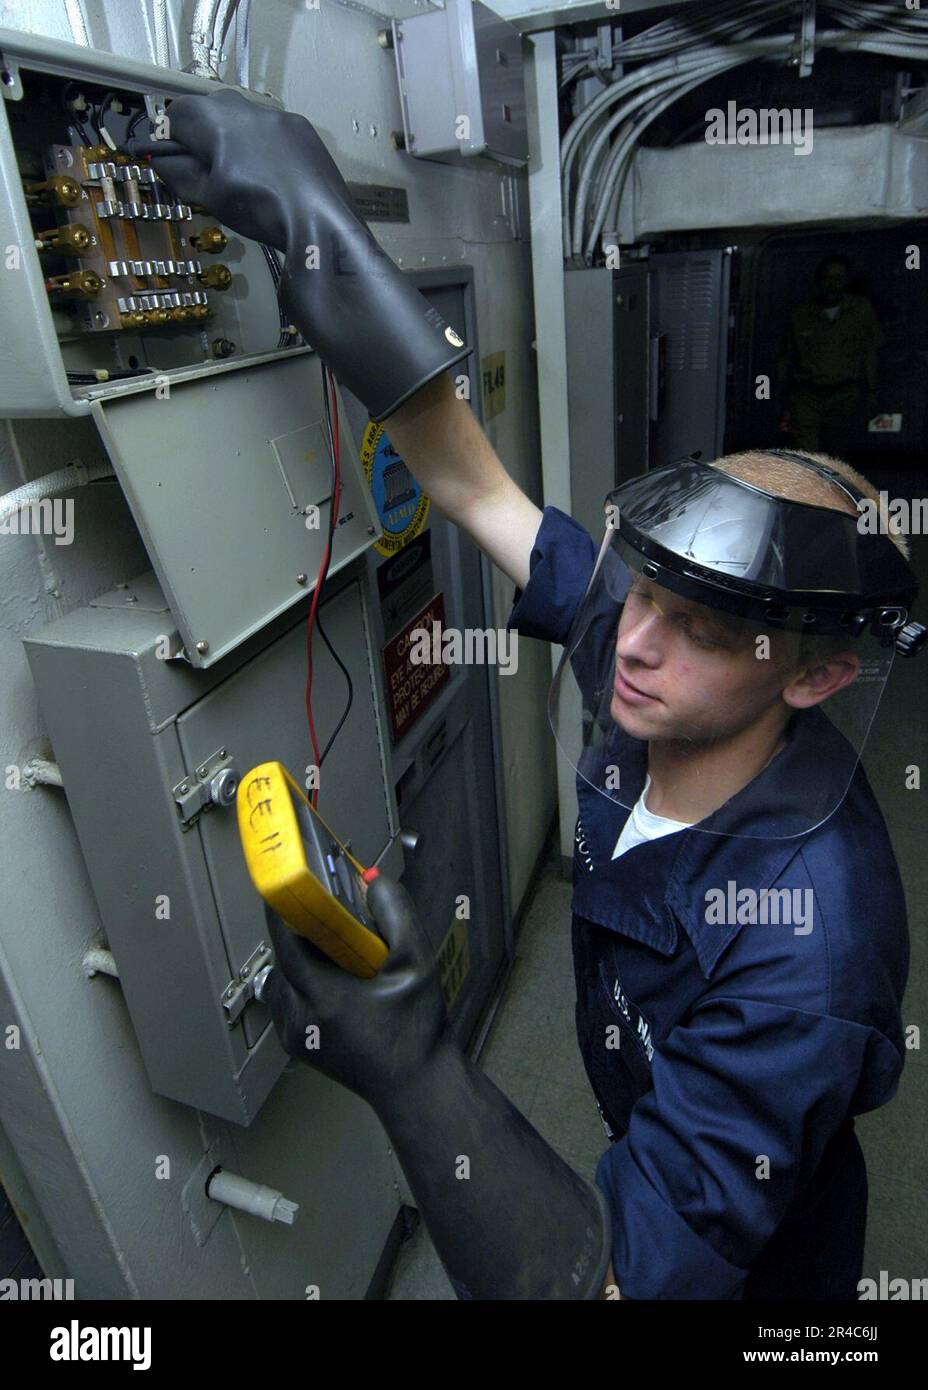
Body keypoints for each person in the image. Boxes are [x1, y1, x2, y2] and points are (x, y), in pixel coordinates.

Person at [129, 90, 925, 1300]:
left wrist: (413, 1066)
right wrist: (315, 226)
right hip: (647, 1114)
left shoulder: (809, 958)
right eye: (640, 594)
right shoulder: (650, 639)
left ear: (815, 676)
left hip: (751, 1264)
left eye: (700, 630)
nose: (632, 644)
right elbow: (475, 486)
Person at [776, 253, 885, 453]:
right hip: (807, 395)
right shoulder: (801, 314)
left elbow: (870, 352)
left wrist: (872, 392)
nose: (832, 284)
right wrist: (779, 398)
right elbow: (786, 358)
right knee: (805, 457)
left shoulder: (861, 310)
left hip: (844, 395)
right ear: (818, 281)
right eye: (827, 278)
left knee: (838, 456)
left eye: (838, 278)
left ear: (846, 281)